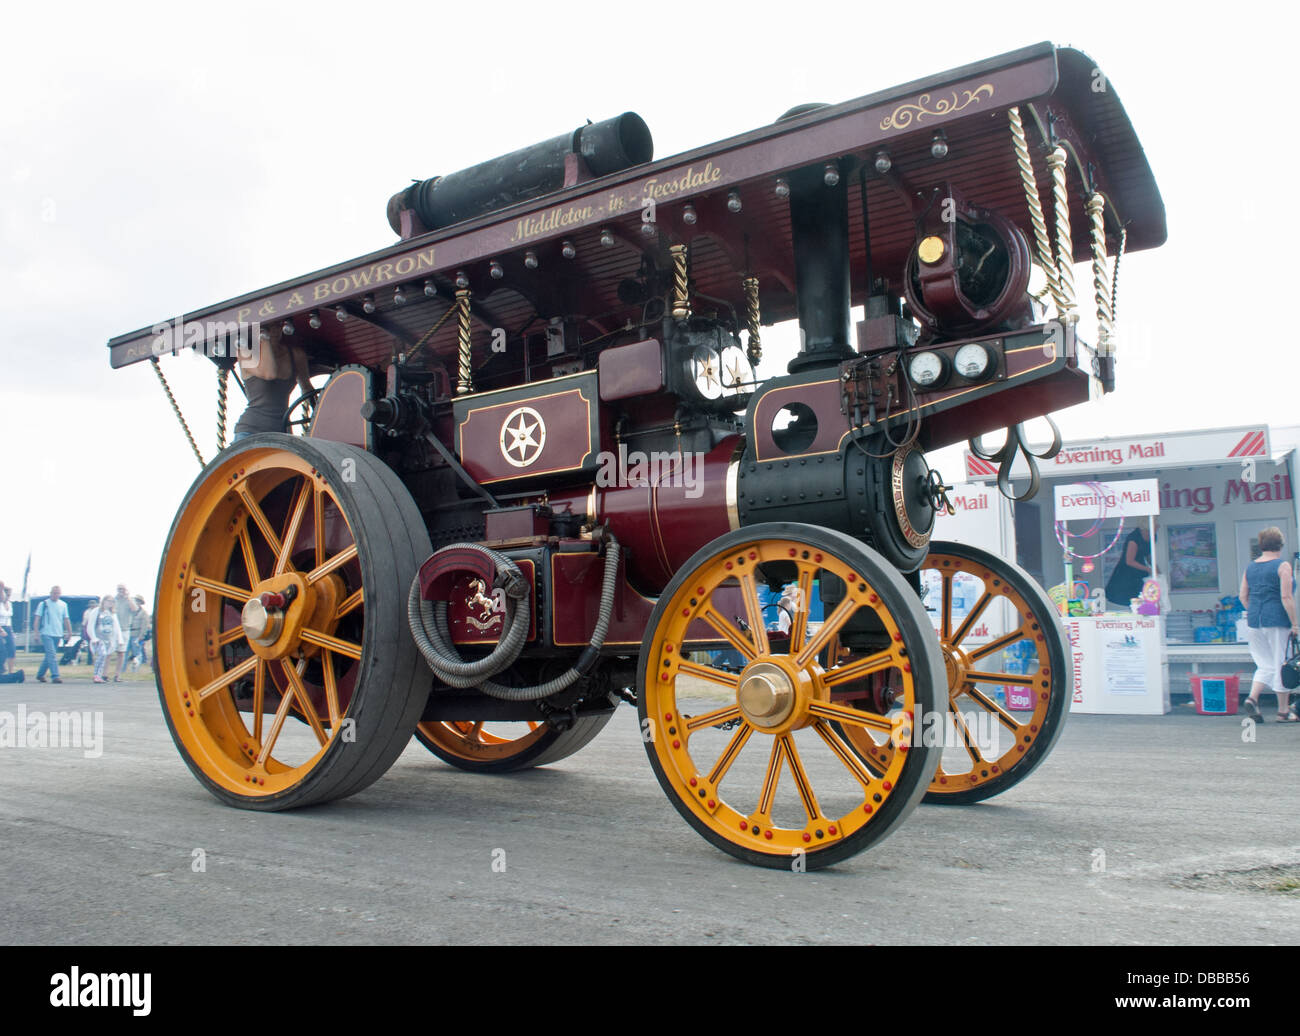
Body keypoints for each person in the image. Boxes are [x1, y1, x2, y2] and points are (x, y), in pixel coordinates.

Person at [1239, 526, 1299, 722]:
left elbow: (1243, 596)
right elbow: (1286, 597)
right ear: (1280, 545)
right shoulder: (1283, 566)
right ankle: (1282, 711)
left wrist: (1254, 610)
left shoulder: (1250, 567)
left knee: (1264, 664)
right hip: (1277, 620)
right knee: (1281, 662)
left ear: (1261, 545)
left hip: (1254, 621)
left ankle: (1252, 698)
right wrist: (1295, 623)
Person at [230, 328, 314, 442]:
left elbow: (307, 388)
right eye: (269, 326)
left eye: (278, 324)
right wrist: (264, 339)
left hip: (282, 431)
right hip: (250, 431)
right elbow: (269, 373)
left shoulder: (296, 355)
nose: (274, 329)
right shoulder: (245, 354)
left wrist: (321, 413)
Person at [1105, 522, 1153, 611]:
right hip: (1127, 575)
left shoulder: (1151, 536)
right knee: (1130, 600)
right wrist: (1148, 569)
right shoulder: (1134, 538)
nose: (1158, 526)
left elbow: (1148, 556)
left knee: (1142, 599)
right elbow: (1129, 561)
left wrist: (1156, 569)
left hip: (1139, 573)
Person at [34, 586, 71, 684]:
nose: (56, 595)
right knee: (52, 654)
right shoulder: (43, 604)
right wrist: (36, 633)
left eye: (58, 593)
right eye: (54, 593)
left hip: (57, 633)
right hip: (46, 633)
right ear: (50, 593)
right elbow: (37, 619)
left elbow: (66, 619)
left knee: (49, 656)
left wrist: (69, 632)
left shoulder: (63, 605)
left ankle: (40, 674)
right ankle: (55, 676)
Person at [86, 594, 124, 685]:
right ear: (104, 601)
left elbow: (116, 626)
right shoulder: (97, 611)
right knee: (102, 655)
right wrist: (93, 638)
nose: (110, 603)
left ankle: (98, 675)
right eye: (109, 601)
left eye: (112, 601)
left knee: (104, 656)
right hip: (99, 638)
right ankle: (96, 675)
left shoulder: (112, 613)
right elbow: (90, 625)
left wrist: (120, 639)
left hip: (108, 639)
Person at [109, 584, 136, 682]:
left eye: (123, 589)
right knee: (108, 652)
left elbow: (134, 609)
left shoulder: (130, 600)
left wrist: (128, 597)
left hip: (125, 629)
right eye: (119, 589)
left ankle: (117, 675)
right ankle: (104, 674)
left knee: (121, 652)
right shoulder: (113, 600)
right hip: (113, 629)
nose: (121, 591)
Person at [127, 595, 150, 671]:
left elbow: (144, 626)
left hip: (137, 635)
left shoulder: (144, 613)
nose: (136, 602)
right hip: (128, 634)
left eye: (137, 601)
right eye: (135, 600)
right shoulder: (130, 612)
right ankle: (123, 670)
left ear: (140, 603)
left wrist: (141, 636)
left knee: (137, 654)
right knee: (125, 653)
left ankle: (135, 670)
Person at [0, 582, 14, 675]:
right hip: (1, 626)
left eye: (9, 595)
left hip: (8, 627)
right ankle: (1, 668)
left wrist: (11, 630)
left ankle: (10, 672)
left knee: (12, 649)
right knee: (2, 650)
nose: (8, 597)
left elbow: (9, 618)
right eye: (7, 595)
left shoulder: (10, 604)